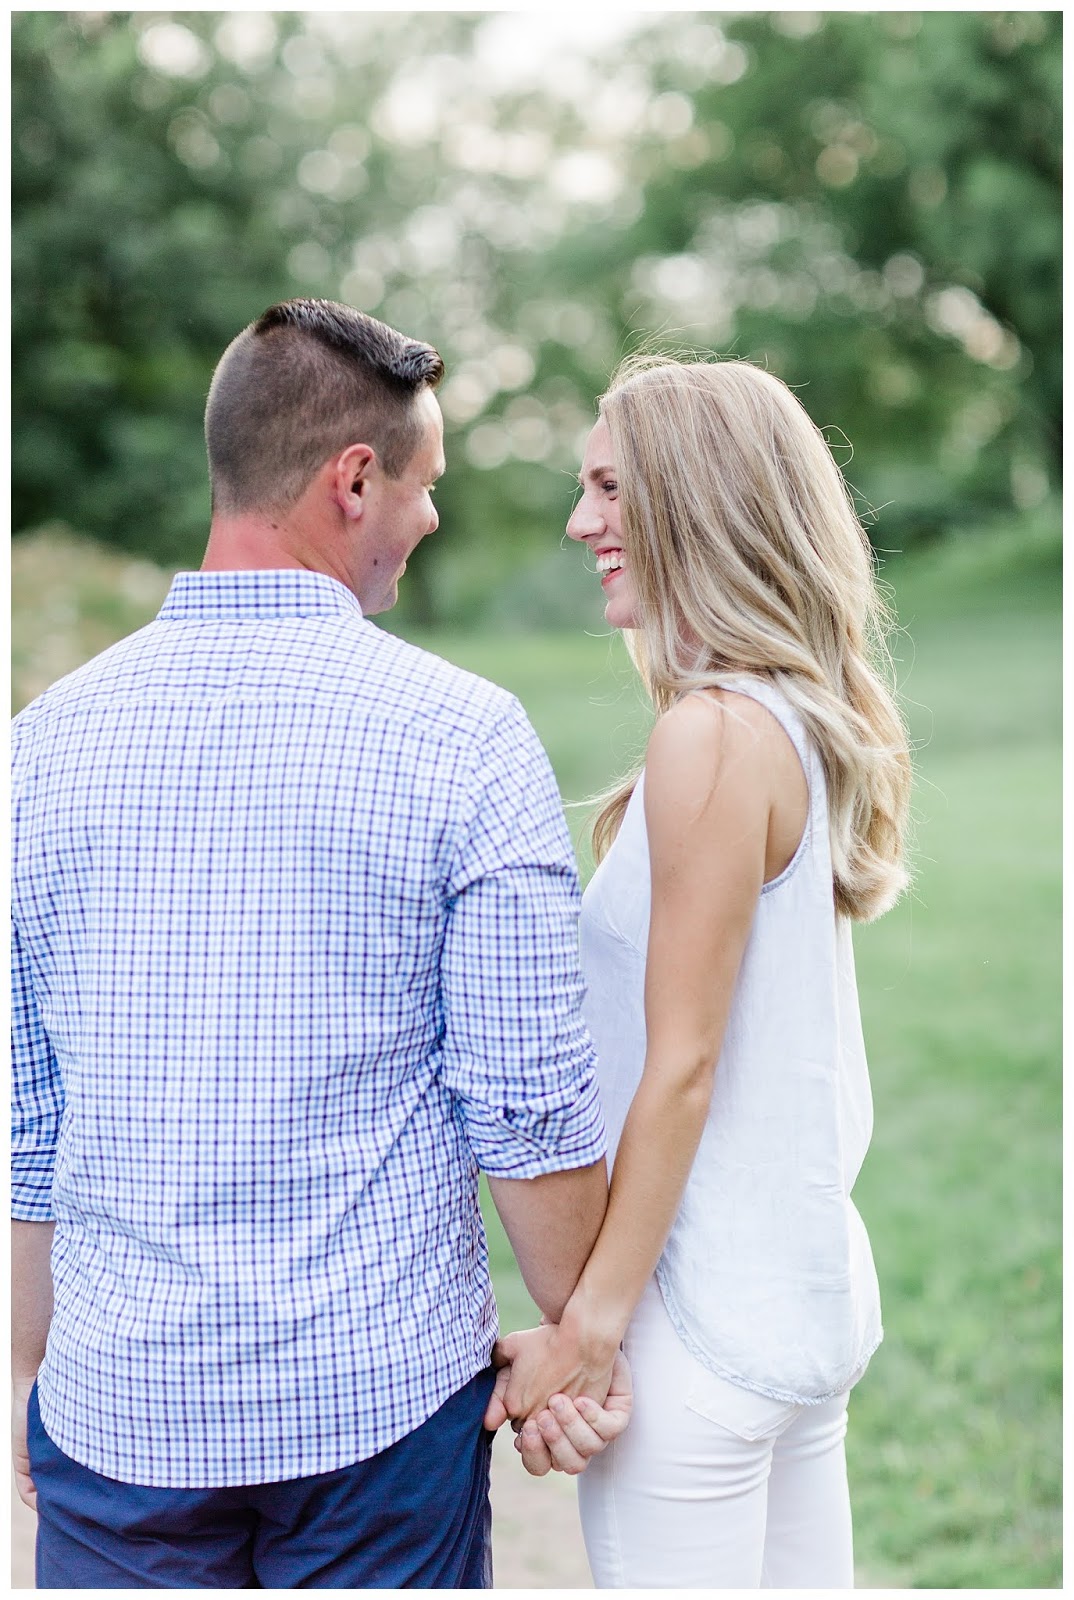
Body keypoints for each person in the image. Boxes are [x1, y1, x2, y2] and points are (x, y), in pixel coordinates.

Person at [11, 297, 628, 1590]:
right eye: (424, 484)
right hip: (376, 1426)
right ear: (354, 480)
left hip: (119, 1418)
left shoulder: (37, 750)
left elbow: (27, 1119)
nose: (430, 517)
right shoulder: (462, 736)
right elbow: (522, 1104)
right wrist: (580, 1335)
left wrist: (35, 1369)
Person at [484, 356, 913, 1586]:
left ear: (695, 499)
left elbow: (681, 1066)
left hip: (700, 1327)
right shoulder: (799, 715)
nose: (583, 523)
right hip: (800, 1296)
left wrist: (589, 1330)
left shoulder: (711, 733)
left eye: (610, 488)